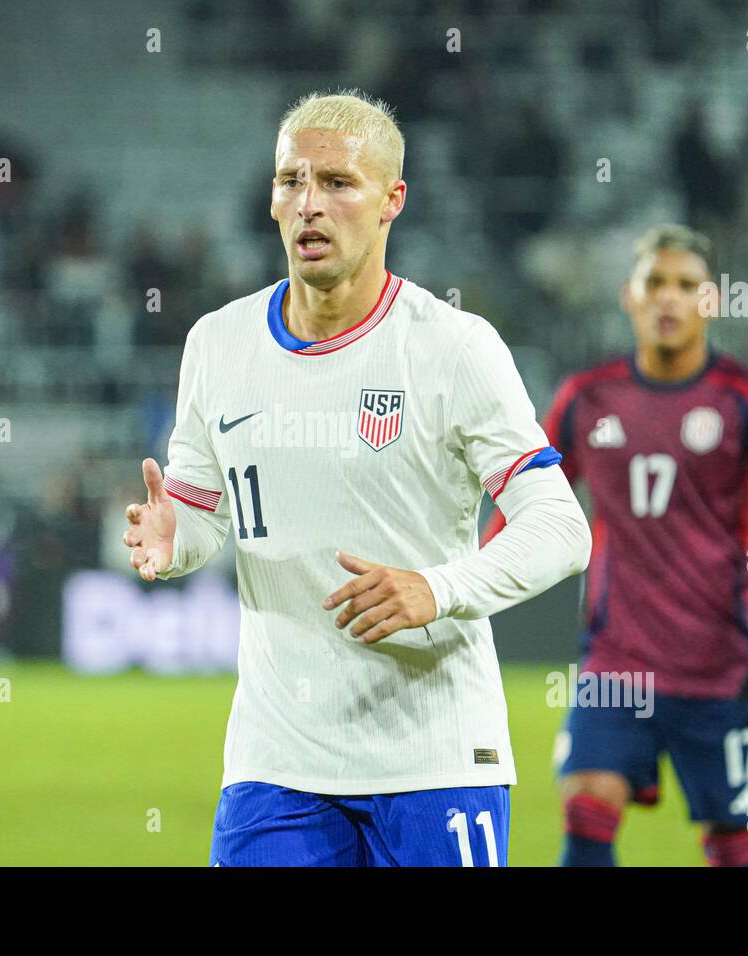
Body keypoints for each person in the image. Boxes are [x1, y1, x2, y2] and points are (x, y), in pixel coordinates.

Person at [121, 90, 591, 866]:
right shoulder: (217, 344)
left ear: (391, 202)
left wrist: (435, 589)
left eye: (338, 182)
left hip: (434, 758)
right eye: (291, 181)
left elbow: (561, 526)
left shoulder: (454, 350)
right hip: (276, 764)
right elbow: (206, 511)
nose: (310, 203)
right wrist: (178, 537)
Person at [482, 225, 748, 867]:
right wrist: (467, 592)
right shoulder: (587, 398)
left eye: (686, 286)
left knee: (733, 851)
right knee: (585, 807)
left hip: (721, 670)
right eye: (654, 283)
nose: (669, 299)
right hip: (616, 662)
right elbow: (524, 500)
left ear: (710, 302)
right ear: (629, 297)